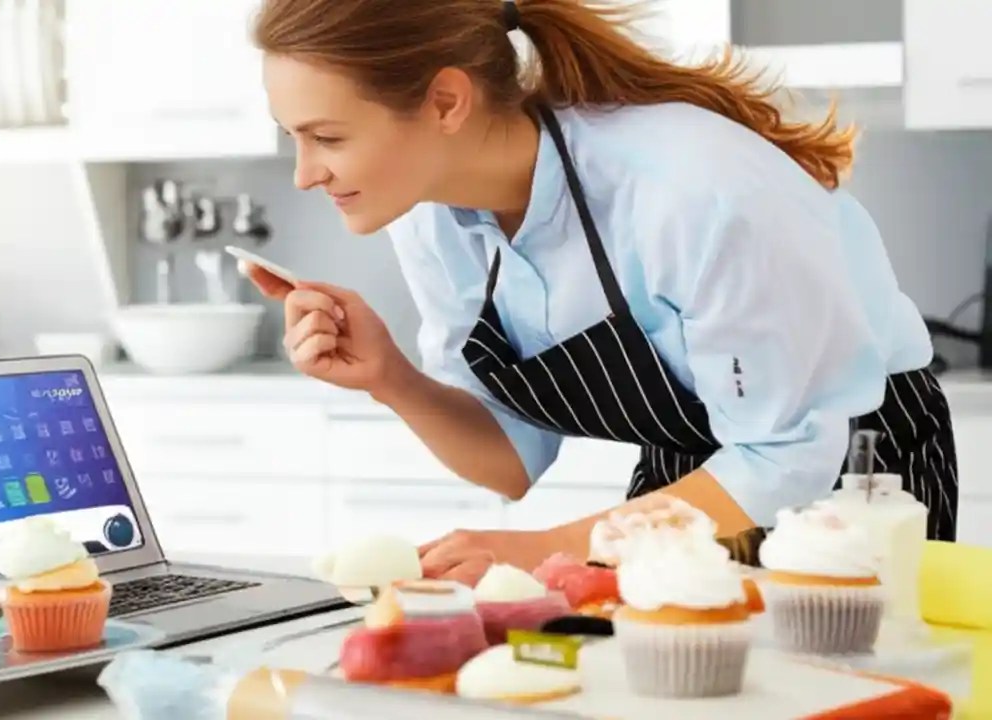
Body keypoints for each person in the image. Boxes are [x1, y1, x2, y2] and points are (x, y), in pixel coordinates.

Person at [243, 0, 957, 585]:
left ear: (446, 101)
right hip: (685, 479)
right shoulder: (431, 219)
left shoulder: (689, 188)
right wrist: (389, 378)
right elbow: (511, 457)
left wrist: (541, 548)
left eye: (327, 137)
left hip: (854, 479)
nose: (306, 173)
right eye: (293, 139)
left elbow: (783, 460)